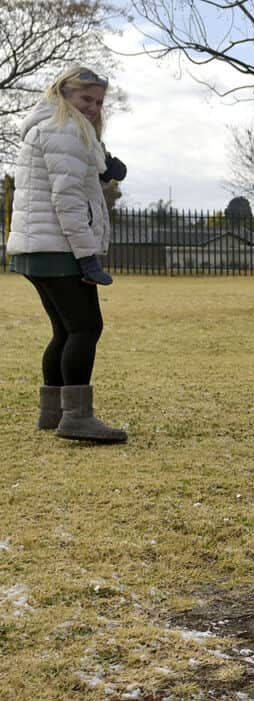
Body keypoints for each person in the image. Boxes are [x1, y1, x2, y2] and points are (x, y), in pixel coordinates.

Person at [6, 65, 127, 443]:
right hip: (60, 248)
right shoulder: (66, 130)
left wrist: (106, 165)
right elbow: (68, 201)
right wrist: (87, 257)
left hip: (35, 248)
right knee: (86, 328)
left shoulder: (49, 126)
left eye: (98, 101)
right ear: (64, 93)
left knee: (64, 330)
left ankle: (53, 412)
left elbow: (72, 180)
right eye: (85, 98)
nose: (93, 107)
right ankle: (77, 417)